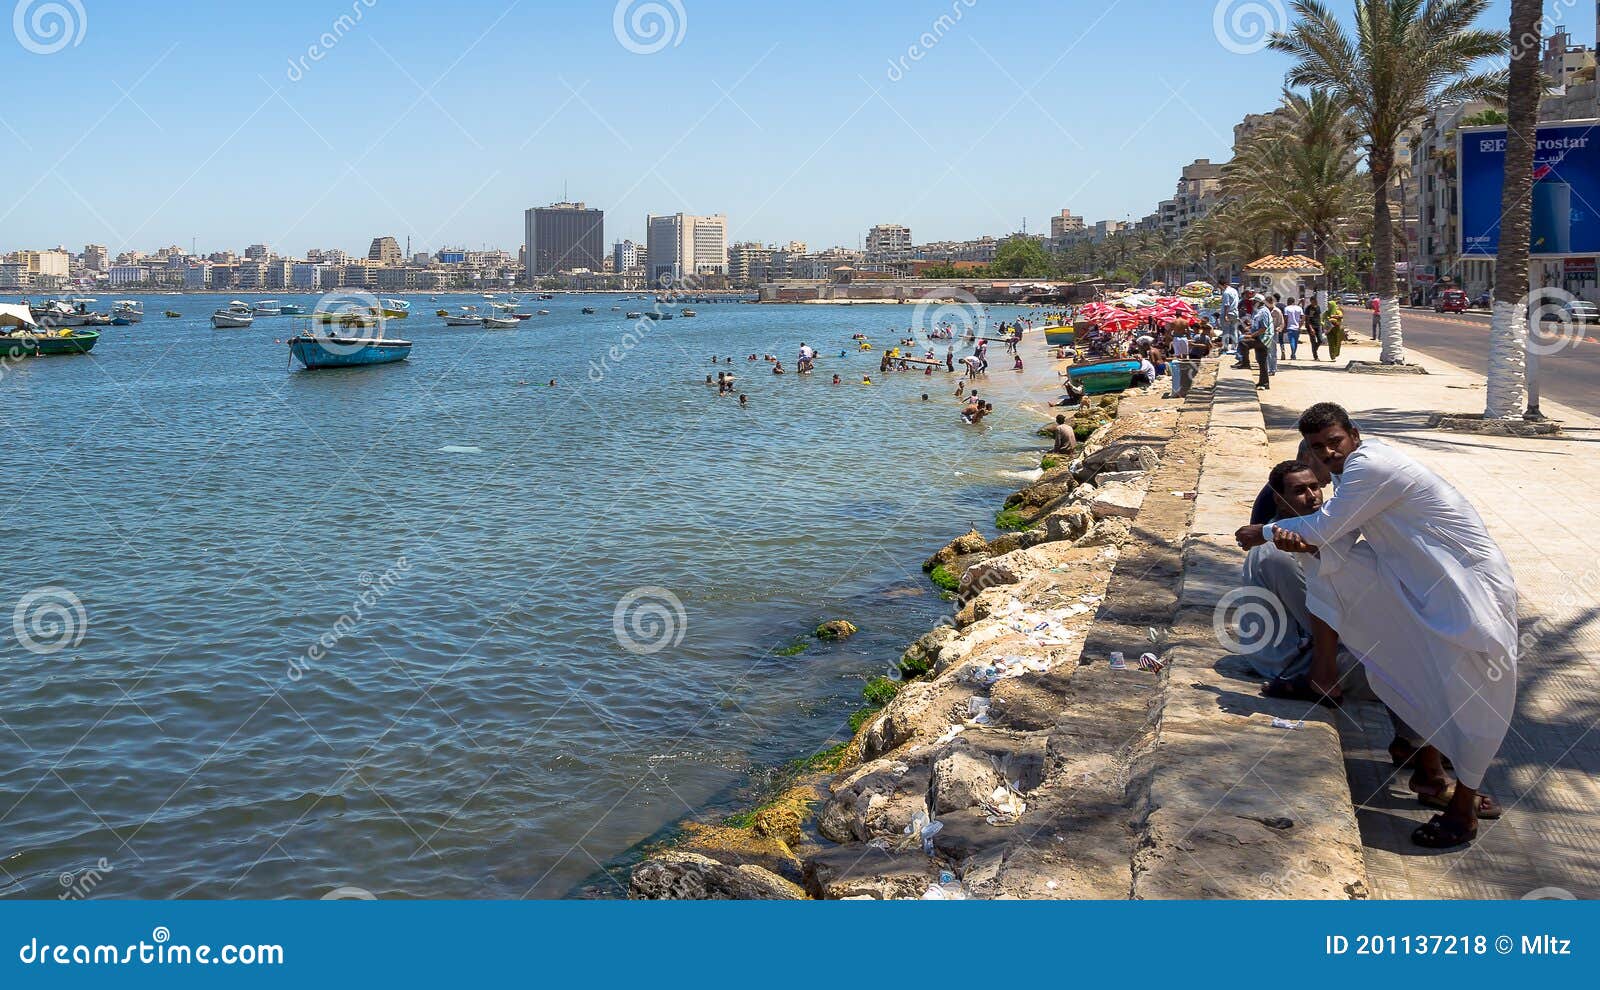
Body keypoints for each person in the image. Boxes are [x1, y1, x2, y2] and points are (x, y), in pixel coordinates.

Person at [1235, 403, 1516, 849]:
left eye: (1334, 442)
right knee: (1415, 668)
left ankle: (1463, 809)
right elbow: (1332, 544)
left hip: (1466, 588)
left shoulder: (1370, 465)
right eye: (1317, 447)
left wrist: (1266, 533)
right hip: (1423, 587)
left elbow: (1327, 528)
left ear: (1354, 434)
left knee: (1470, 689)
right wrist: (1298, 539)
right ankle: (1429, 772)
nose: (1327, 453)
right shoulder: (1351, 473)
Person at [1219, 278, 1240, 353]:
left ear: (1224, 285)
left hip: (1228, 313)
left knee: (1226, 331)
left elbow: (1226, 305)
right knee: (1234, 331)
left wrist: (1225, 315)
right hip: (1235, 313)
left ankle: (1225, 347)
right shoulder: (1234, 291)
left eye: (1220, 286)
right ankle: (1235, 347)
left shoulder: (1226, 293)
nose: (1220, 288)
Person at [1304, 297, 1323, 361]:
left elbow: (1319, 316)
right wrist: (1311, 328)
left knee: (1320, 340)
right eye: (1314, 301)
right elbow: (1307, 320)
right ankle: (1315, 356)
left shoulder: (1318, 307)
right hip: (1311, 326)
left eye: (1316, 301)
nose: (1315, 302)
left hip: (1318, 326)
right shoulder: (1308, 308)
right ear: (1311, 301)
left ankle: (1315, 349)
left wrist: (1321, 324)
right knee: (1313, 341)